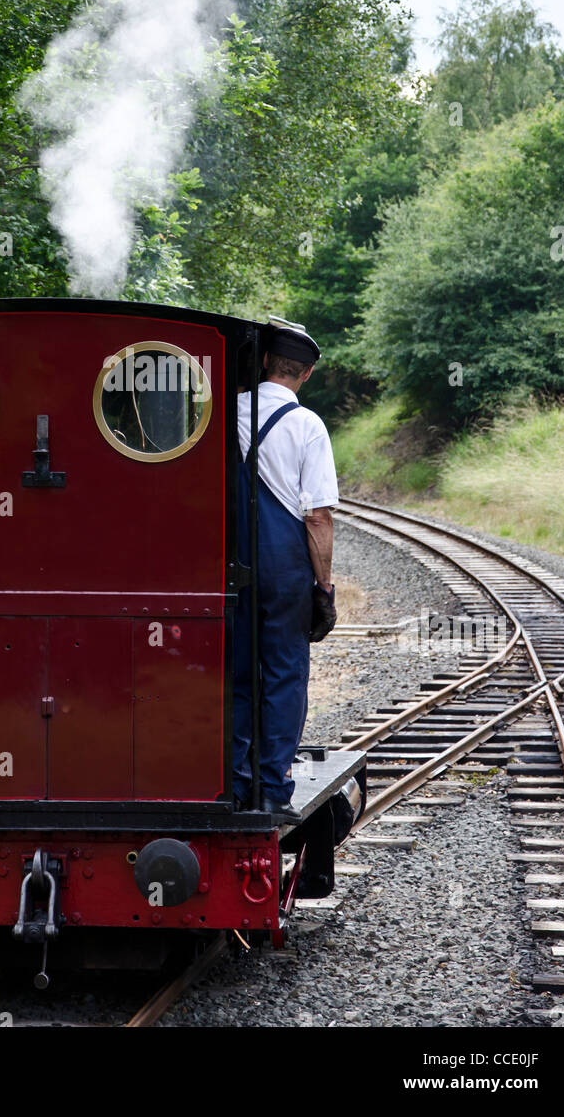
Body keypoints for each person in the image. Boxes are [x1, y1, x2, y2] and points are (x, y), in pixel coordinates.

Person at [233, 323, 339, 818]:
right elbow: (317, 516)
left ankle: (234, 782)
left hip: (227, 558)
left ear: (264, 362)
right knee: (283, 673)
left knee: (233, 670)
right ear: (307, 373)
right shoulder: (307, 425)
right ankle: (272, 787)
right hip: (283, 564)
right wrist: (324, 588)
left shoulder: (225, 412)